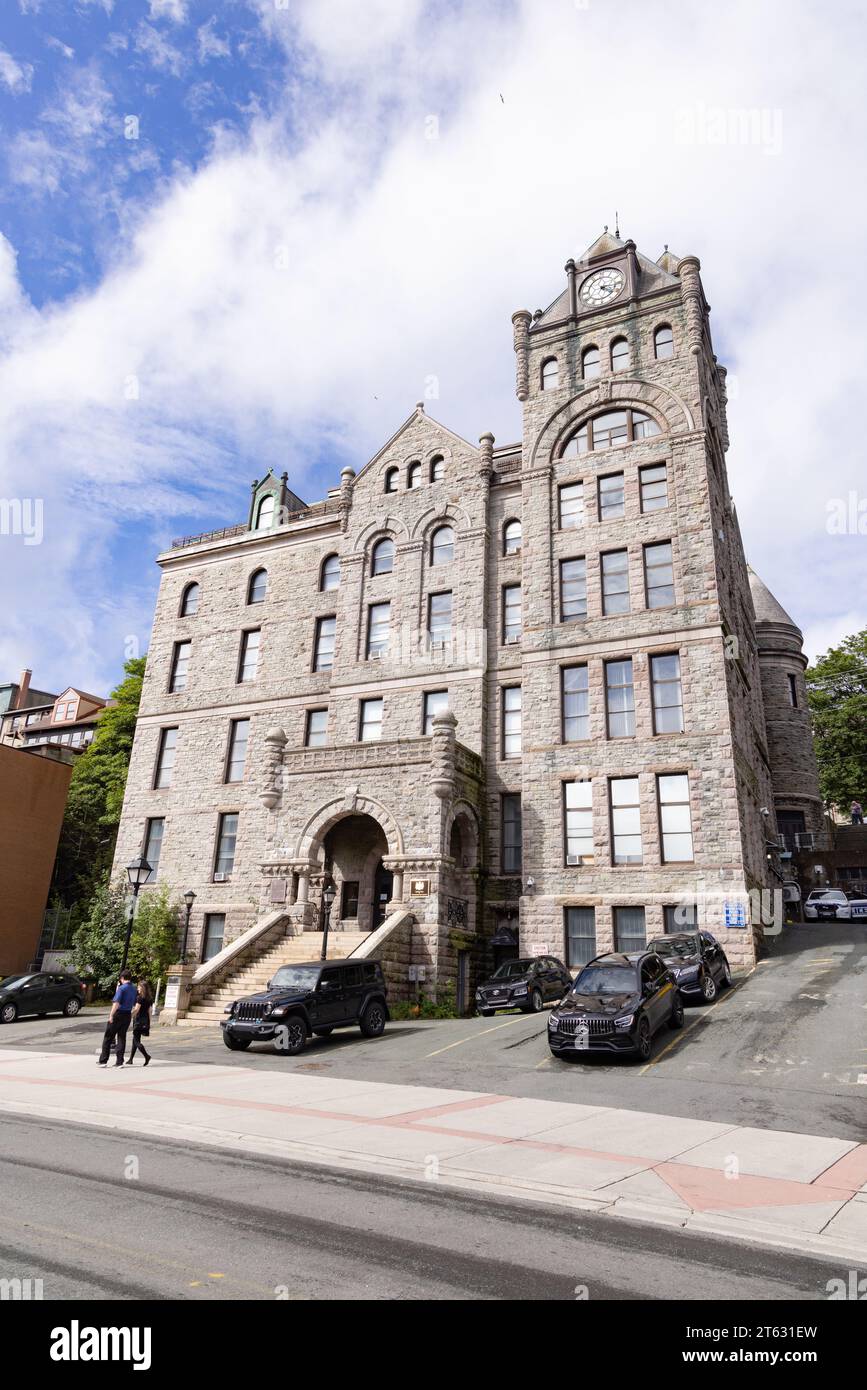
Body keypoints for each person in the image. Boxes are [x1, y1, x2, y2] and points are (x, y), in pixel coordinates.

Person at [98, 969, 137, 1067]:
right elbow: (134, 1003)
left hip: (118, 1013)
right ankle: (119, 1061)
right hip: (127, 1014)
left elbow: (116, 1003)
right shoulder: (134, 988)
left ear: (122, 978)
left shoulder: (121, 988)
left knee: (108, 1037)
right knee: (121, 1037)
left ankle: (103, 1060)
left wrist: (111, 1015)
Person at [128, 981, 153, 1066]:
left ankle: (146, 1056)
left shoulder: (139, 998)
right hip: (145, 1021)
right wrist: (149, 1023)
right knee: (135, 1039)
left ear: (142, 988)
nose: (137, 988)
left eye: (139, 987)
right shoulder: (149, 998)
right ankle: (130, 1059)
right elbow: (149, 1011)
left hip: (138, 1021)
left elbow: (136, 1010)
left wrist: (128, 1017)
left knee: (136, 1041)